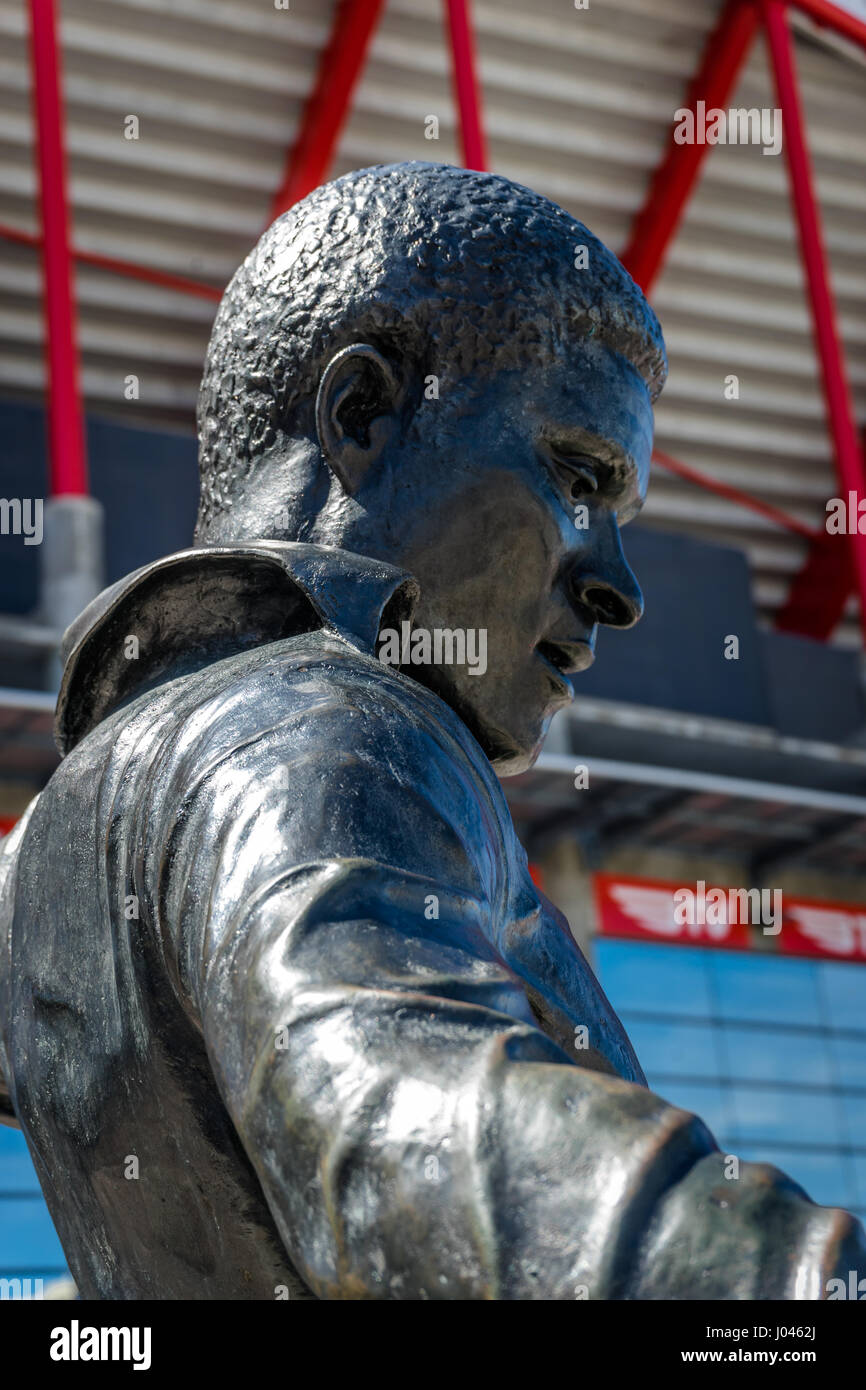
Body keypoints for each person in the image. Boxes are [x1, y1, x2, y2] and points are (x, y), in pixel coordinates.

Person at [1, 162, 862, 1299]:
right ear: (361, 416)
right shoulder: (325, 731)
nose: (617, 587)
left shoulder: (56, 838)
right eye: (576, 476)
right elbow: (408, 1138)